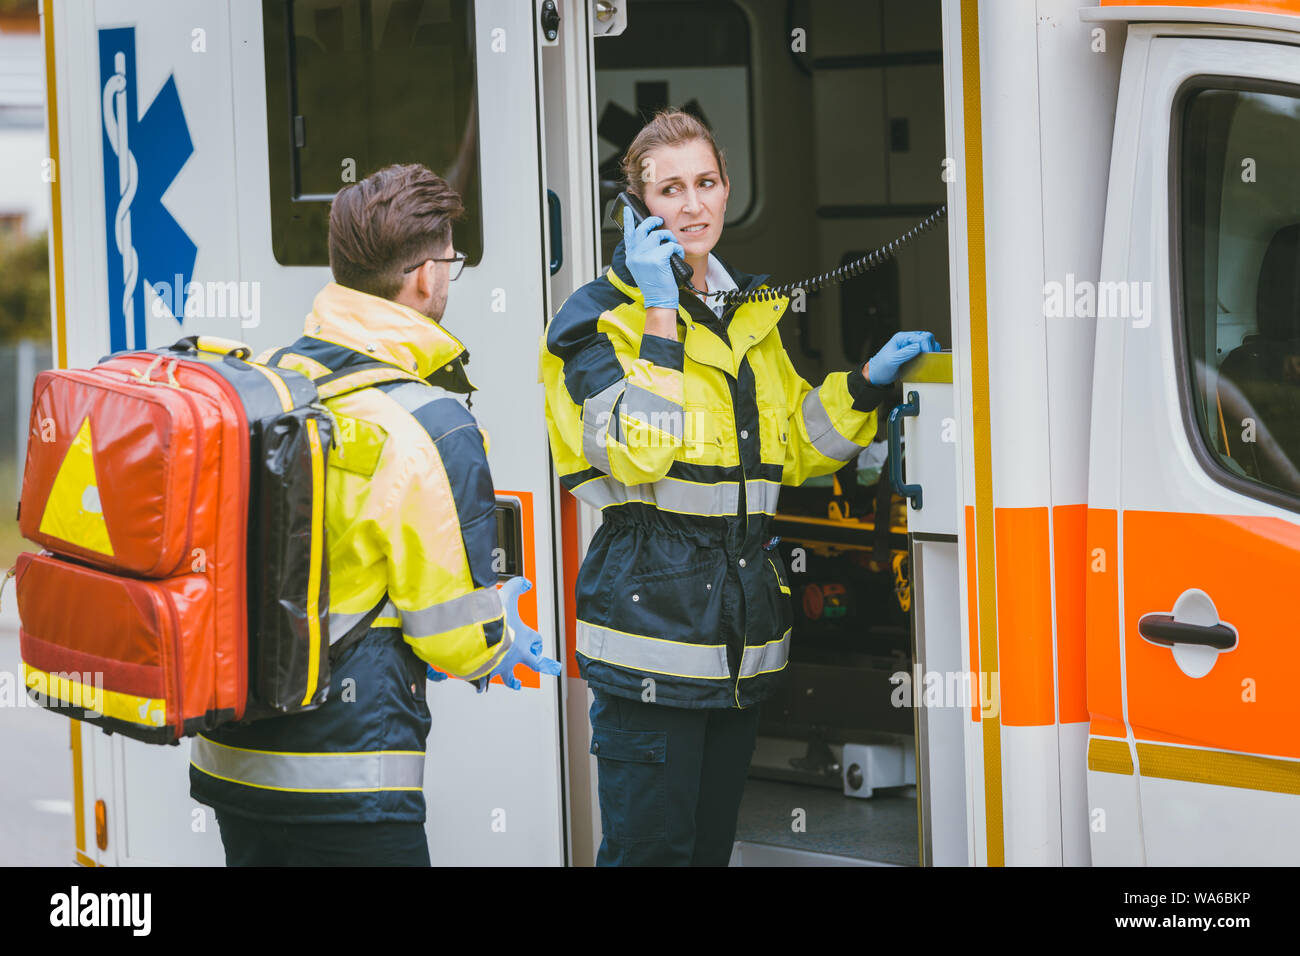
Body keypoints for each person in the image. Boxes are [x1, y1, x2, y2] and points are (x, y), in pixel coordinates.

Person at [540, 110, 939, 866]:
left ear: (727, 189)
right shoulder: (590, 328)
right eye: (668, 191)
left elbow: (793, 446)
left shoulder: (747, 315)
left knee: (708, 856)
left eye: (706, 183)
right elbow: (639, 454)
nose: (692, 206)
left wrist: (865, 382)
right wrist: (660, 311)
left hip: (739, 655)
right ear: (635, 210)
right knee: (650, 858)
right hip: (651, 653)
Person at [190, 163, 560, 866]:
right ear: (424, 277)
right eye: (449, 260)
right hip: (347, 776)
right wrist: (498, 633)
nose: (449, 275)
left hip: (234, 762)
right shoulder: (431, 422)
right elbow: (449, 629)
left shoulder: (268, 383)